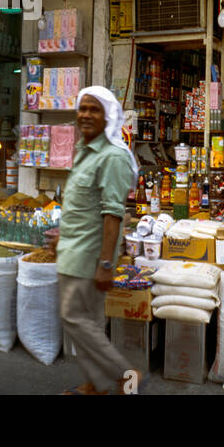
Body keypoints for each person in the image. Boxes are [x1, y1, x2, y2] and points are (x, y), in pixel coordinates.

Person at [50, 87, 140, 395]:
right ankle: (96, 386)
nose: (86, 115)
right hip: (71, 249)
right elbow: (81, 205)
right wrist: (61, 235)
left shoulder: (113, 157)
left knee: (73, 317)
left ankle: (124, 376)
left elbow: (113, 214)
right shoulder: (83, 151)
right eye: (83, 108)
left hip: (88, 256)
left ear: (107, 117)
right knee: (88, 322)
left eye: (94, 110)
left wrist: (105, 264)